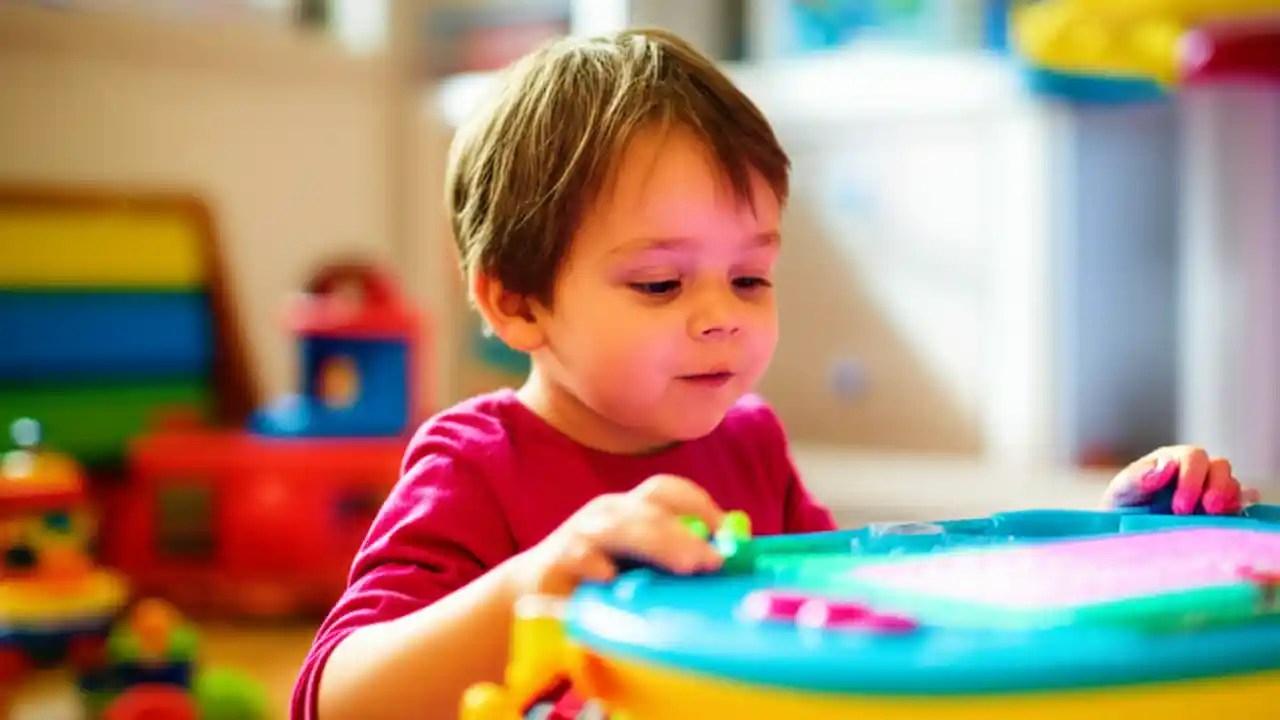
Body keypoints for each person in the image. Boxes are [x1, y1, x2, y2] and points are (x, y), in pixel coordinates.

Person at [293, 28, 1258, 720]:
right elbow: (330, 696)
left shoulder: (747, 440)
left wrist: (1125, 535)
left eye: (751, 275)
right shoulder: (473, 462)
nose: (721, 314)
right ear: (516, 304)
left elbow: (869, 619)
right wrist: (530, 583)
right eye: (662, 282)